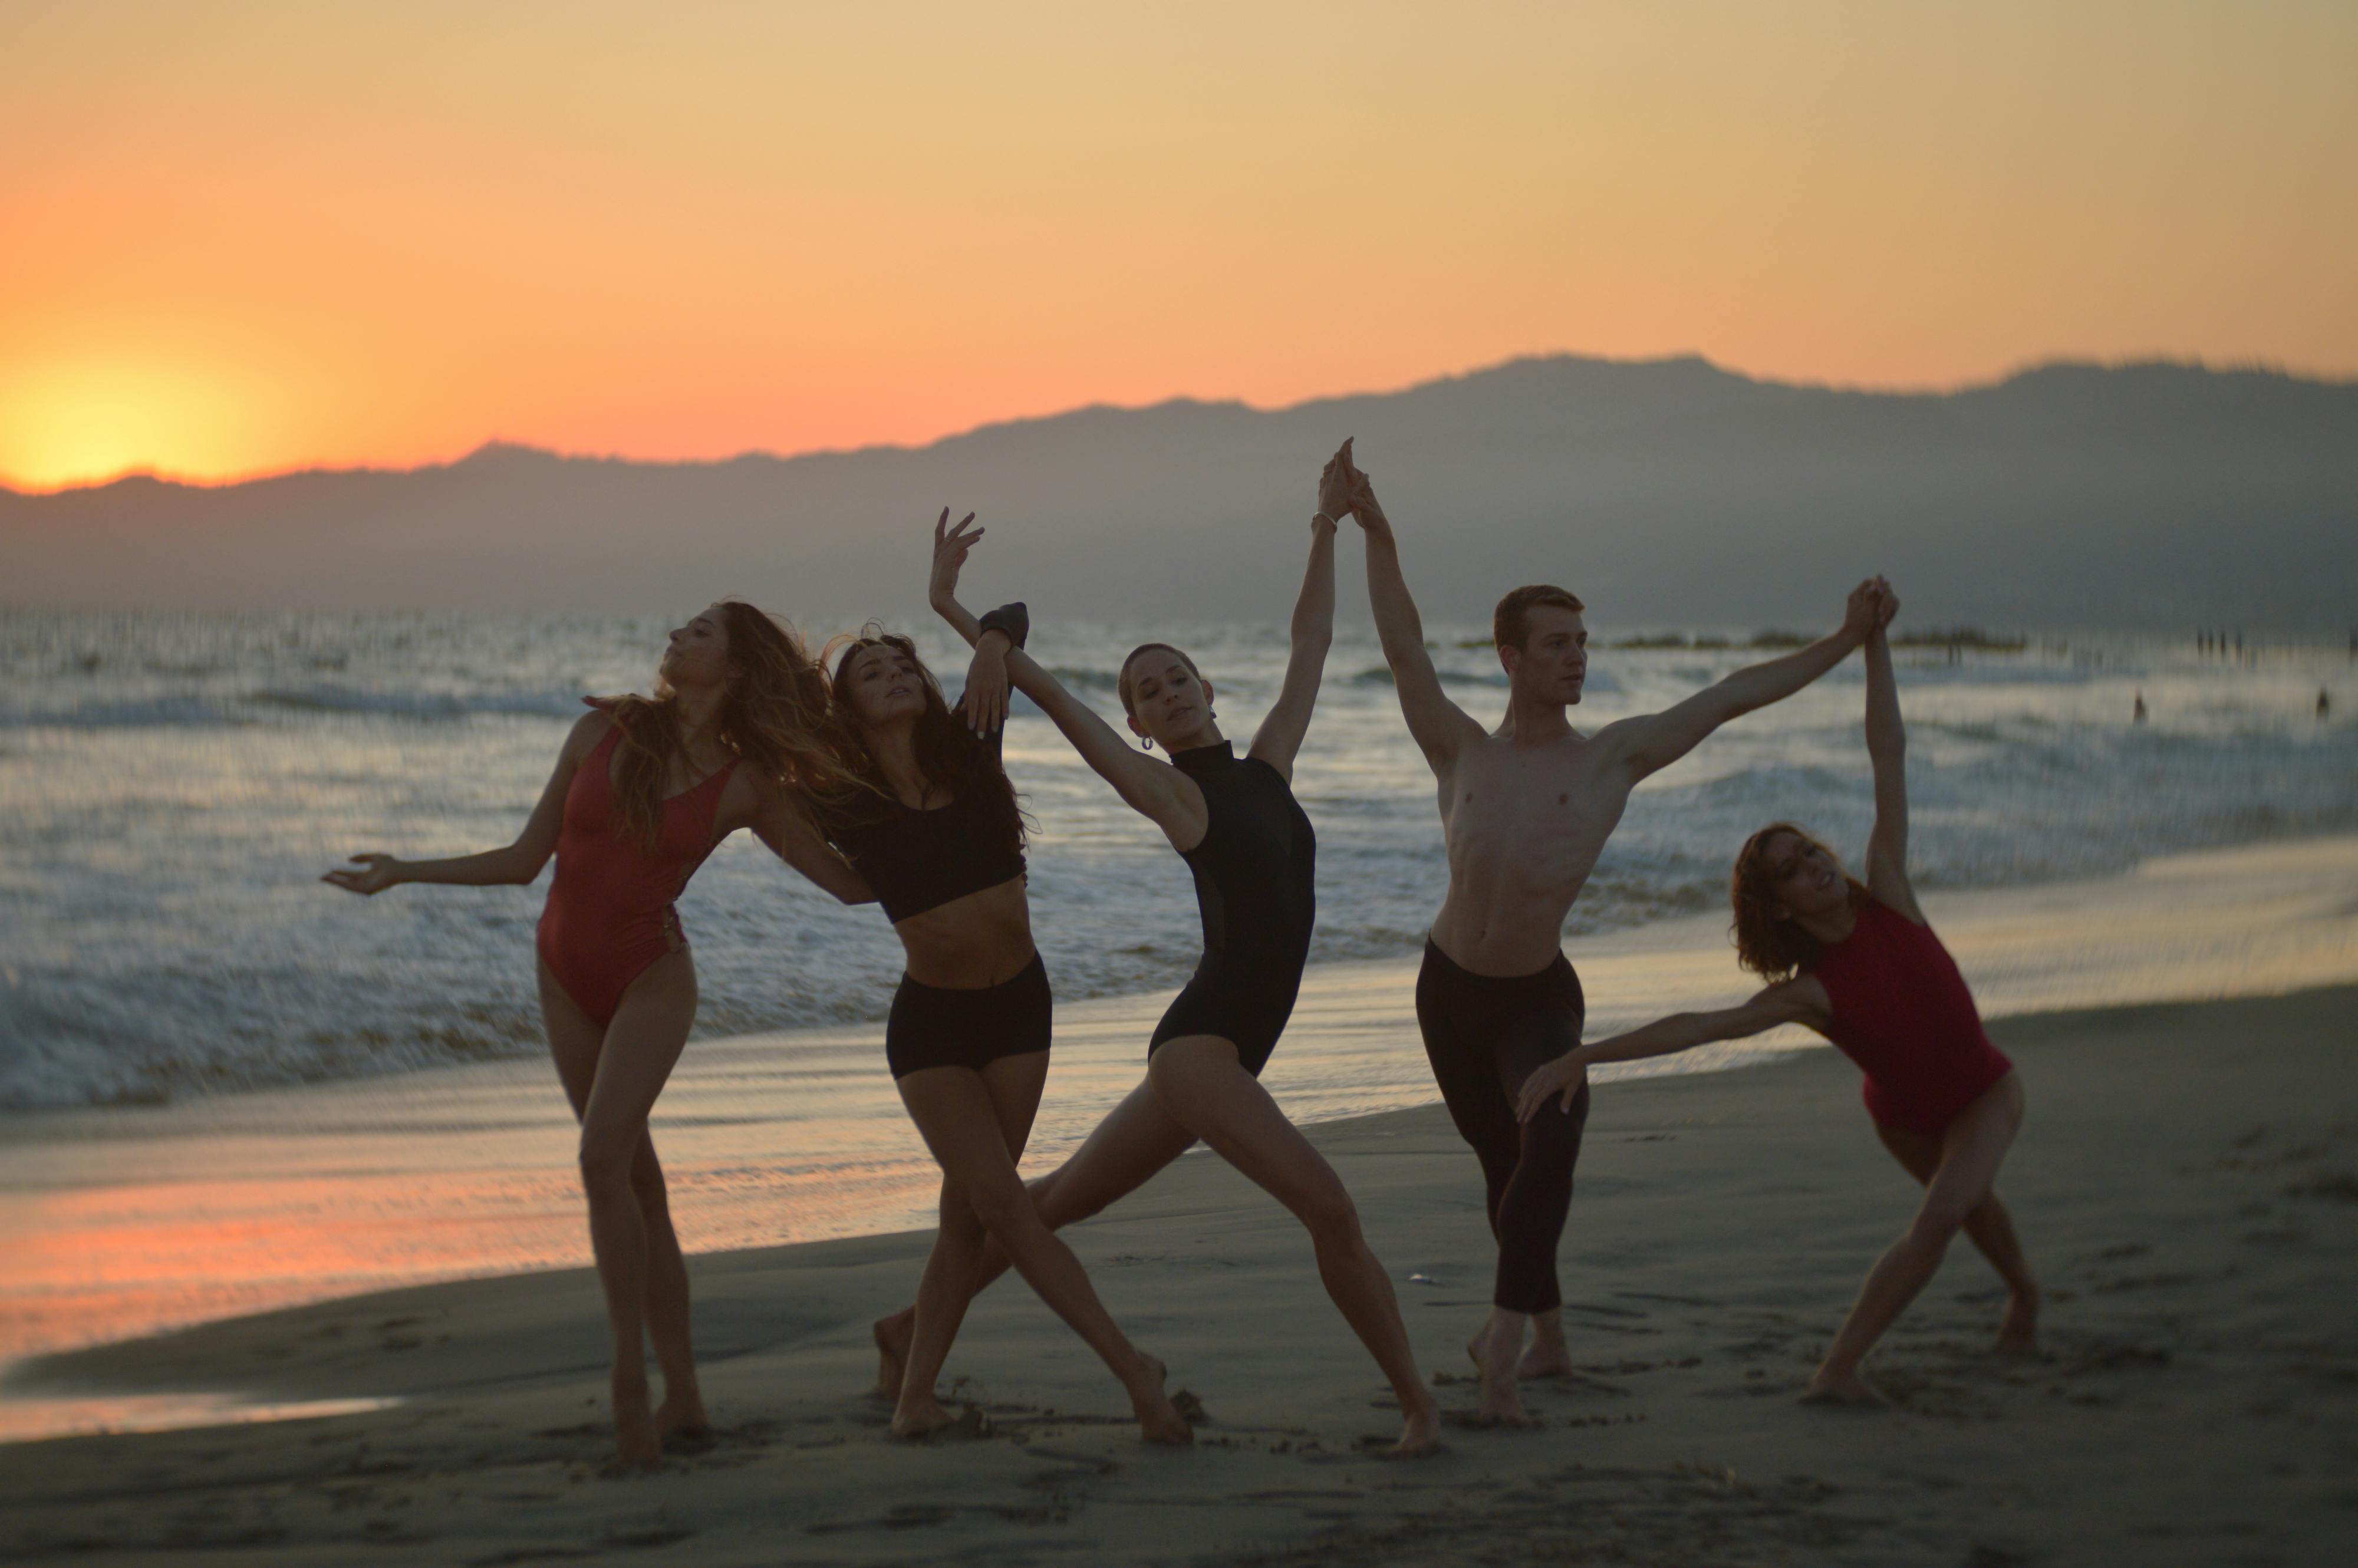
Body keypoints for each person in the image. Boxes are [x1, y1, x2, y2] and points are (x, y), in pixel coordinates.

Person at [881, 450, 1444, 1457]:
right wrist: (961, 623)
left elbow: (1311, 641)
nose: (1164, 693)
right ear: (1140, 726)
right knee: (1329, 1205)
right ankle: (1418, 1405)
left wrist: (1326, 527)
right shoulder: (1176, 798)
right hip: (1203, 1054)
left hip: (1208, 1058)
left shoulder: (1269, 765)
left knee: (1045, 1209)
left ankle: (906, 1333)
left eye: (1175, 676)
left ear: (1205, 686)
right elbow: (1061, 706)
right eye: (1145, 692)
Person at [1342, 446, 1884, 1426]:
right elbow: (1402, 643)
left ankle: (1501, 1342)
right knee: (1503, 1171)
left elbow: (1732, 695)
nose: (1578, 658)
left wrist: (1846, 639)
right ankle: (1549, 1339)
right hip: (1448, 993)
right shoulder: (1459, 748)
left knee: (1550, 1142)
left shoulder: (1612, 761)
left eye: (1583, 643)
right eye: (1557, 644)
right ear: (1512, 657)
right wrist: (1376, 532)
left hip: (1539, 996)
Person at [325, 602, 870, 1470]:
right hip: (562, 972)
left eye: (699, 632)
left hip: (651, 976)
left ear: (733, 669)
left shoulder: (744, 784)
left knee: (597, 1161)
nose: (676, 636)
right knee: (635, 1184)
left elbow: (845, 884)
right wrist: (403, 872)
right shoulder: (599, 732)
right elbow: (523, 860)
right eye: (682, 628)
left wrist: (946, 841)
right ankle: (685, 1397)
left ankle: (629, 1380)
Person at [1515, 584, 2040, 1405]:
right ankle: (2025, 1292)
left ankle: (1839, 1368)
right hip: (1903, 1118)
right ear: (1780, 905)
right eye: (1793, 870)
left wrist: (1873, 644)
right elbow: (1698, 1028)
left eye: (1813, 852)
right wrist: (1589, 1052)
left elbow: (1888, 754)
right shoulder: (1811, 994)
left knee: (1942, 1215)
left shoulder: (1890, 894)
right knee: (1966, 1207)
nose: (1817, 867)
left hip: (1984, 1088)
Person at [822, 604, 1191, 1444]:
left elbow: (1013, 619)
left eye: (904, 665)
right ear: (848, 709)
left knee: (967, 1219)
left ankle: (911, 1376)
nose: (896, 676)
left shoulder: (972, 739)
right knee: (1007, 1211)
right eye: (872, 673)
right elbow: (752, 759)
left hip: (1022, 1008)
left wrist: (979, 631)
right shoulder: (845, 800)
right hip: (933, 1030)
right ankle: (1136, 1375)